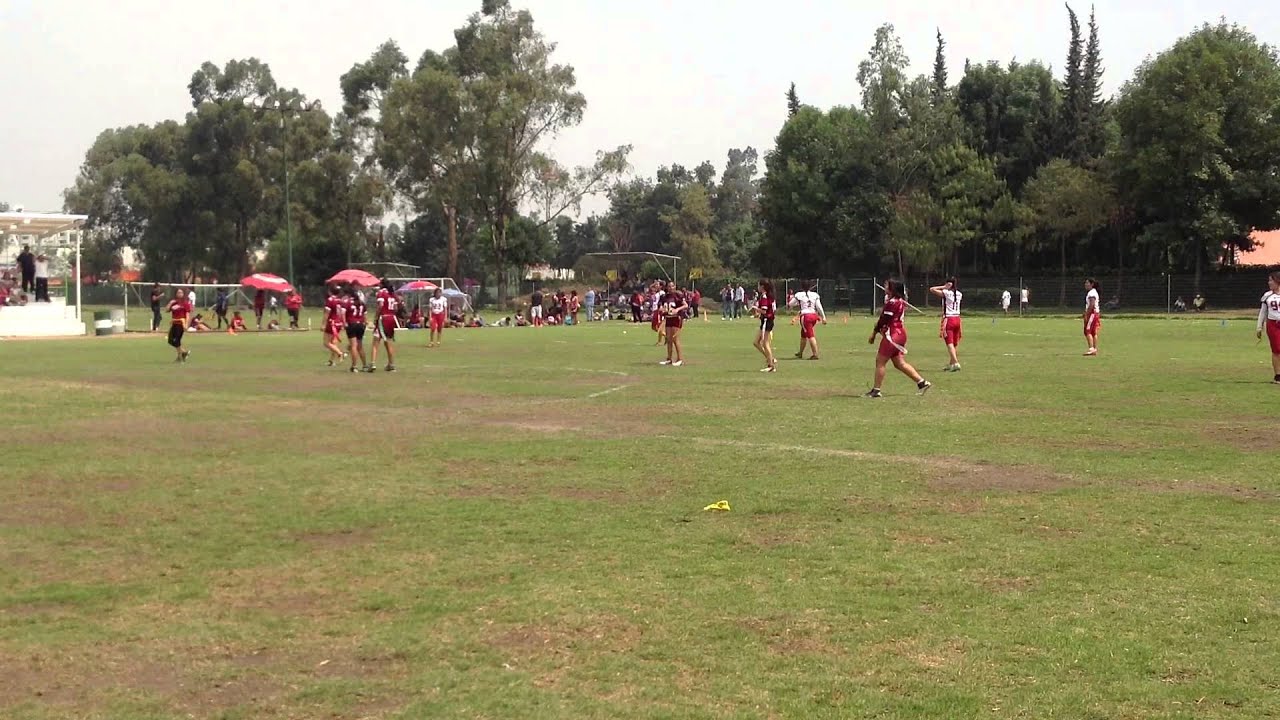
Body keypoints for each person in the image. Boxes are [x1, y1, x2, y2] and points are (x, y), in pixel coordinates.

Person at [865, 278, 931, 397]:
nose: (885, 287)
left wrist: (874, 333)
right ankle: (922, 382)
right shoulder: (898, 301)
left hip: (893, 334)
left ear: (892, 289)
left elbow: (883, 320)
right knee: (899, 363)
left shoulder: (892, 302)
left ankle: (876, 390)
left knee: (880, 361)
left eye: (887, 286)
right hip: (900, 333)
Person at [930, 277, 963, 372]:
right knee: (954, 343)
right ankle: (951, 363)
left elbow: (932, 289)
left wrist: (943, 287)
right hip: (957, 319)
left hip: (949, 319)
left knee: (949, 342)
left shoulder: (947, 293)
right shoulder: (959, 294)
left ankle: (956, 362)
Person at [789, 280, 827, 360]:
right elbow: (819, 307)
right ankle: (800, 352)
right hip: (813, 316)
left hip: (806, 317)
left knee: (810, 335)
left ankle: (815, 354)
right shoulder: (815, 295)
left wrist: (797, 303)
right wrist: (823, 317)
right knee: (803, 334)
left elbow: (790, 304)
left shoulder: (799, 294)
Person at [369, 280, 400, 372]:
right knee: (388, 342)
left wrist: (376, 317)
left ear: (382, 284)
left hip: (383, 318)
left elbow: (380, 306)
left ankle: (372, 364)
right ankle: (391, 364)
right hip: (392, 318)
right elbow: (396, 308)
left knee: (375, 342)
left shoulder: (381, 293)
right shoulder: (392, 294)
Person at [1256, 272, 1280, 384]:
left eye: (1271, 280)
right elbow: (1263, 312)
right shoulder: (1267, 295)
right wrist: (1259, 327)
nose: (1269, 282)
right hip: (1273, 324)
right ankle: (1277, 376)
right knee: (1276, 350)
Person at [658, 281, 689, 366]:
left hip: (676, 319)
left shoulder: (678, 295)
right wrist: (661, 310)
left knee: (675, 339)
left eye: (672, 286)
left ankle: (680, 359)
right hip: (668, 318)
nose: (670, 288)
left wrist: (677, 310)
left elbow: (685, 305)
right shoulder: (664, 296)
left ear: (675, 287)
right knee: (668, 339)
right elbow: (661, 307)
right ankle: (669, 359)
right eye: (669, 286)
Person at [751, 280, 778, 373]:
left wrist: (755, 308)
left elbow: (764, 311)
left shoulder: (765, 296)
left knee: (765, 343)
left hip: (767, 320)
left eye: (758, 285)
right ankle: (770, 358)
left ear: (762, 287)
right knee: (756, 342)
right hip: (766, 321)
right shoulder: (770, 296)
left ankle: (771, 366)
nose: (757, 287)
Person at [345, 286, 369, 373]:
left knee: (353, 346)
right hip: (361, 325)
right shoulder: (362, 303)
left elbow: (343, 314)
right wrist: (365, 323)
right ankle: (365, 365)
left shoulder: (348, 302)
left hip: (352, 324)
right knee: (360, 346)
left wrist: (345, 323)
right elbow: (365, 316)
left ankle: (354, 366)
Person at [322, 285, 347, 366]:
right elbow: (342, 313)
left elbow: (327, 313)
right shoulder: (340, 300)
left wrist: (323, 324)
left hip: (331, 323)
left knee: (326, 343)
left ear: (330, 291)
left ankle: (340, 353)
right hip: (338, 323)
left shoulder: (330, 300)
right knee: (334, 343)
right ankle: (332, 361)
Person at [166, 288, 193, 363]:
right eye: (178, 292)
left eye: (181, 292)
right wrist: (170, 303)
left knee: (177, 340)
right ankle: (184, 352)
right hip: (174, 323)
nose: (179, 294)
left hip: (181, 324)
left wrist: (186, 325)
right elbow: (167, 310)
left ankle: (179, 357)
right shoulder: (174, 303)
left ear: (183, 294)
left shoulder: (185, 303)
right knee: (170, 340)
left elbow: (187, 315)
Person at [1083, 278, 1101, 357]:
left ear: (1092, 284)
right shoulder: (1093, 292)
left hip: (1092, 313)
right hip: (1095, 313)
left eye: (1087, 283)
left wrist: (1087, 314)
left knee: (1088, 330)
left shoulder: (1091, 293)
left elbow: (1092, 304)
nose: (1085, 284)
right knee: (1093, 332)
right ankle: (1094, 349)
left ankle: (1091, 348)